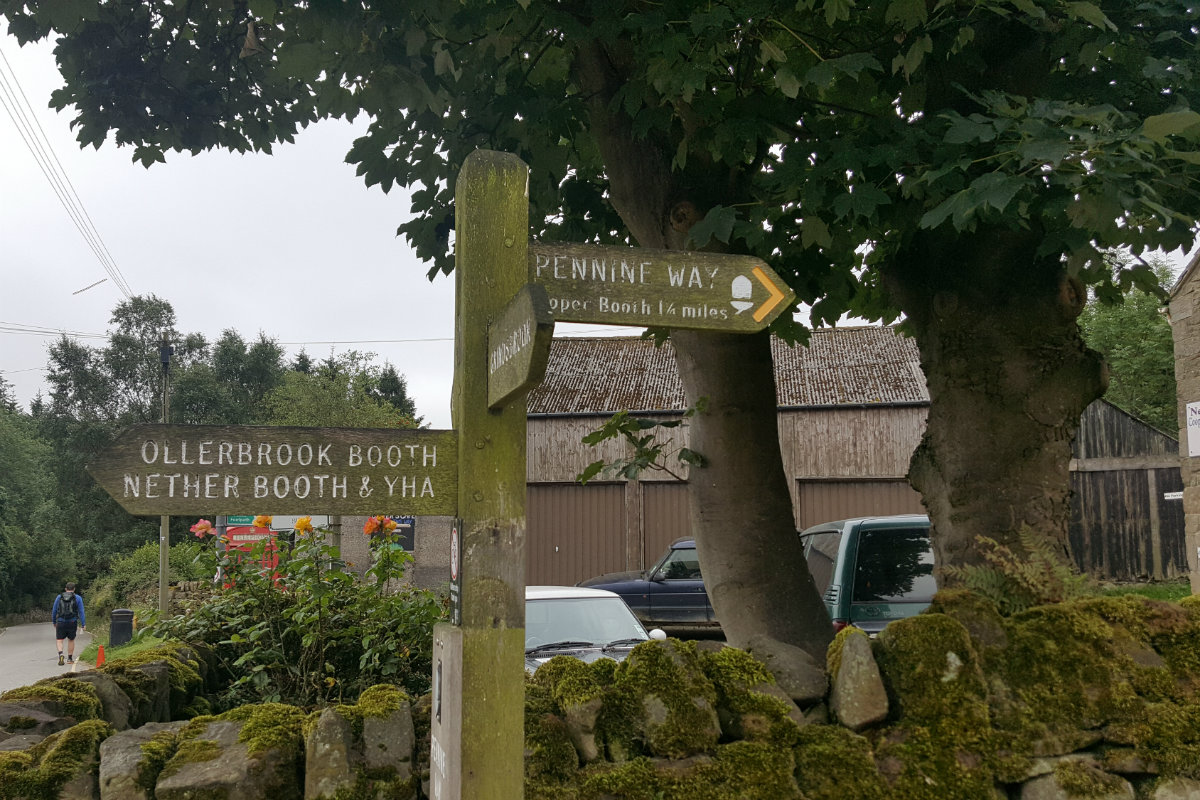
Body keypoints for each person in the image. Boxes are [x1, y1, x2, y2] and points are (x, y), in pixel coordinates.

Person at [51, 583, 86, 666]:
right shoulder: (78, 598)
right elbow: (81, 612)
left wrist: (54, 622)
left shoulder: (59, 597)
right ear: (74, 589)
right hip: (72, 622)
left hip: (61, 621)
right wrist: (83, 624)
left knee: (59, 640)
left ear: (65, 588)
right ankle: (70, 658)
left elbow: (54, 610)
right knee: (71, 640)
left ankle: (61, 654)